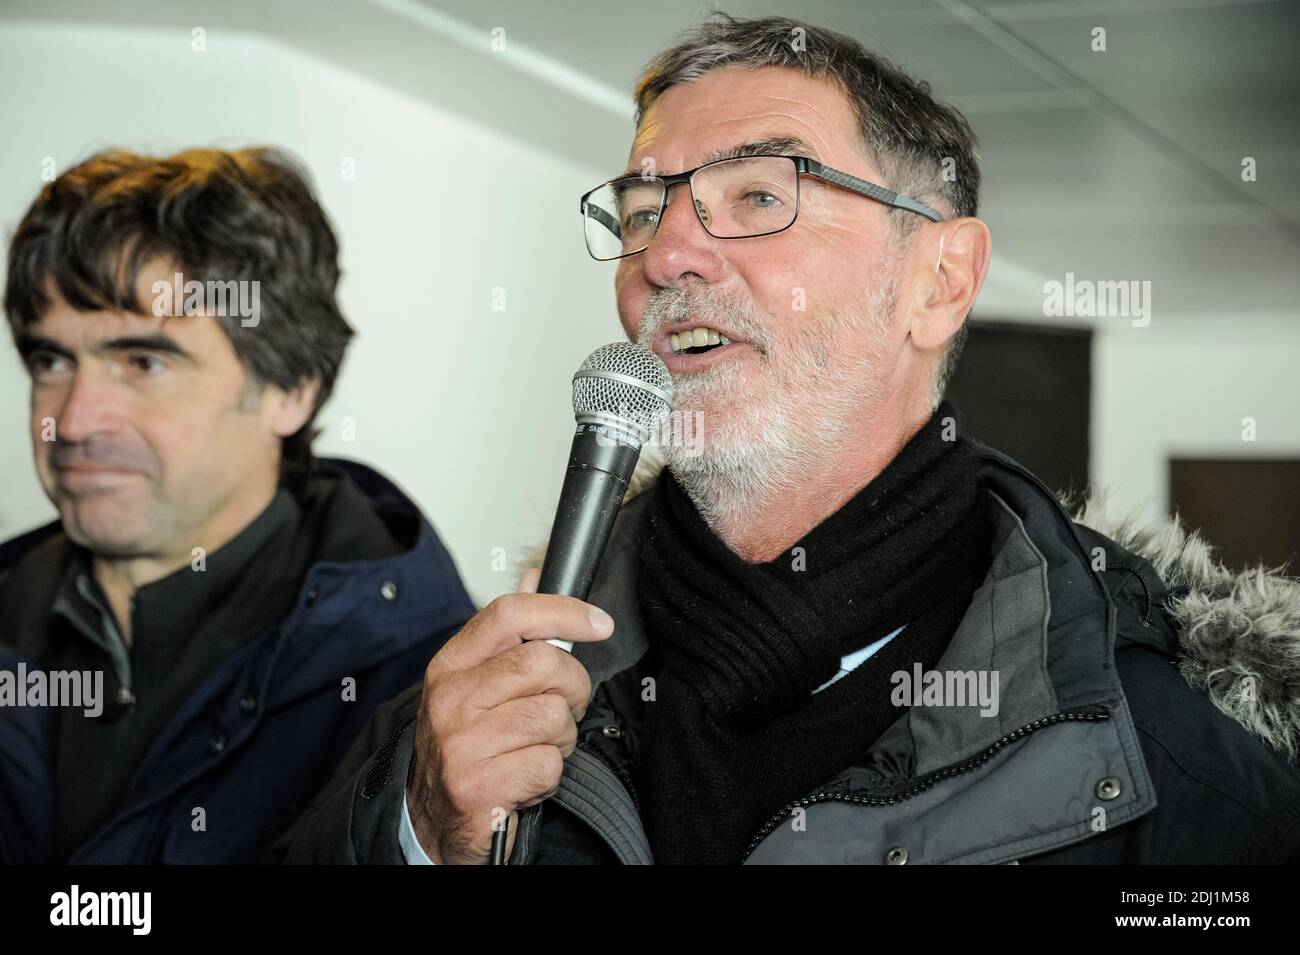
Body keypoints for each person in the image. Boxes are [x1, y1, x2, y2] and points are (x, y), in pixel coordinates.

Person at [274, 14, 1300, 865]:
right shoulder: (488, 694)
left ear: (937, 282)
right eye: (641, 209)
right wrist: (417, 835)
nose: (666, 253)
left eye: (758, 196)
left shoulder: (1158, 758)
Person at [0, 147, 475, 863]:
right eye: (51, 361)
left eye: (144, 362)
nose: (72, 421)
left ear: (291, 387)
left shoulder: (430, 686)